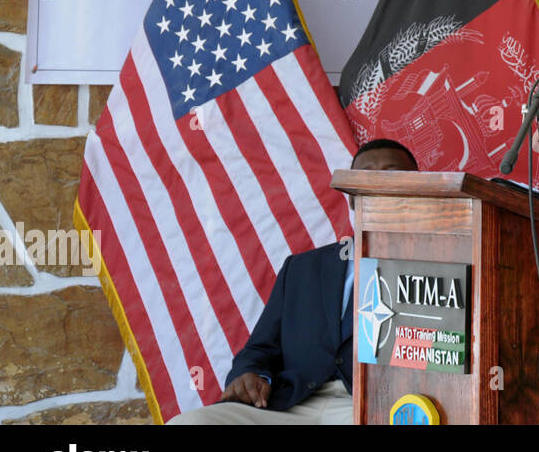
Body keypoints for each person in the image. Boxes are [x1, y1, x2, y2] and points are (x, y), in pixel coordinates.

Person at [167, 138, 417, 425]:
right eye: (365, 176)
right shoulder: (301, 268)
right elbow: (259, 350)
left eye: (391, 173)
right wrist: (251, 376)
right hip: (291, 405)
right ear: (350, 196)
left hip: (380, 406)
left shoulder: (443, 264)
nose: (377, 184)